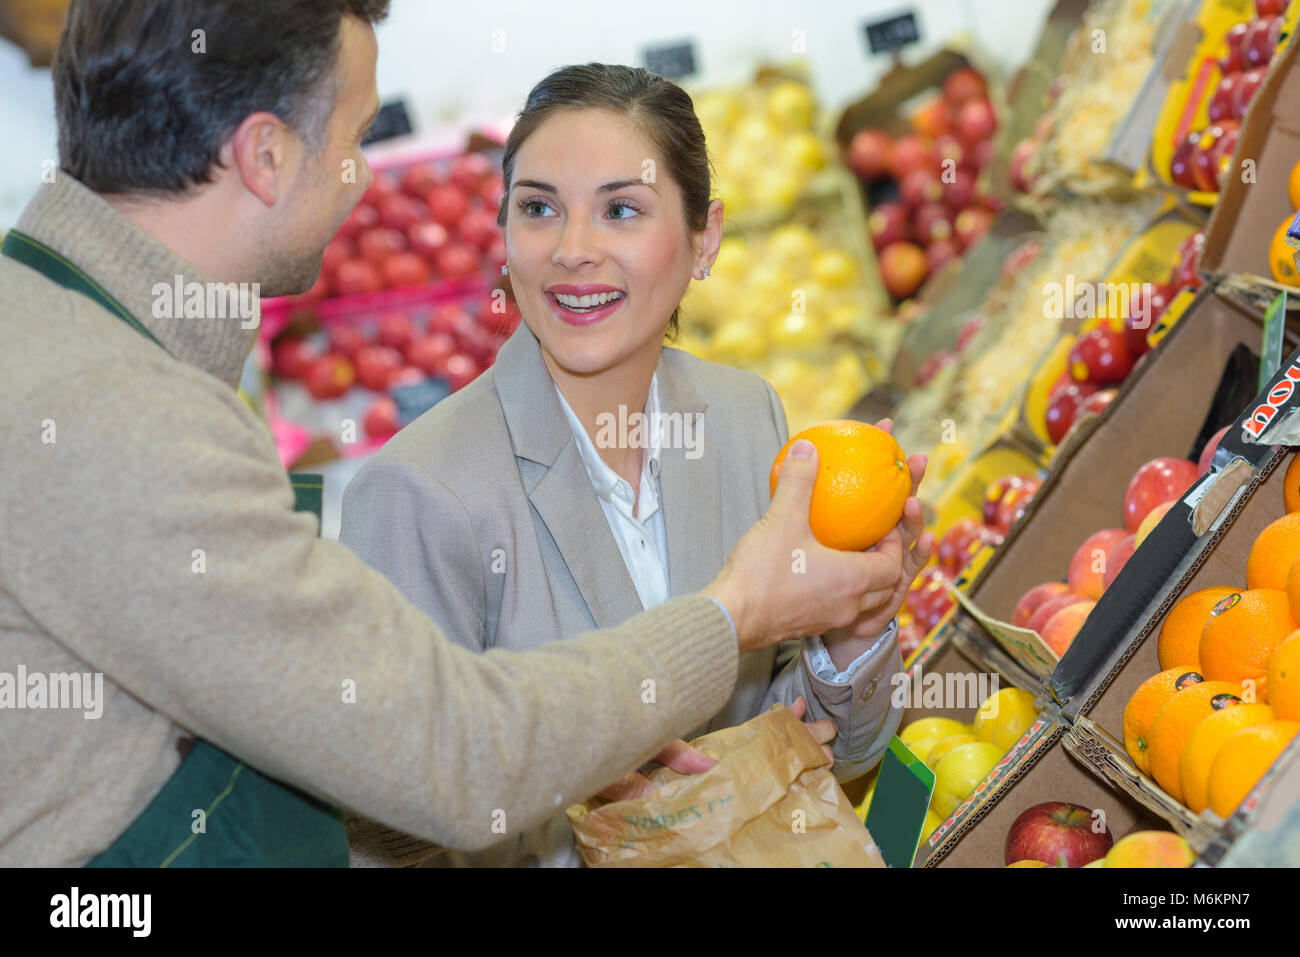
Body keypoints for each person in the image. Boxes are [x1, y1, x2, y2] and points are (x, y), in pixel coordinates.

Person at [0, 0, 926, 867]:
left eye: (623, 208)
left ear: (702, 237)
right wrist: (736, 615)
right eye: (355, 138)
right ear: (266, 157)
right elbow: (447, 753)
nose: (361, 177)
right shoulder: (126, 420)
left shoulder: (72, 347)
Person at [340, 64, 931, 867]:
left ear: (704, 239)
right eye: (539, 208)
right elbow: (387, 822)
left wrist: (855, 631)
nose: (573, 250)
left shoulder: (744, 415)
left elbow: (821, 751)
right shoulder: (418, 491)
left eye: (621, 209)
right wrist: (574, 765)